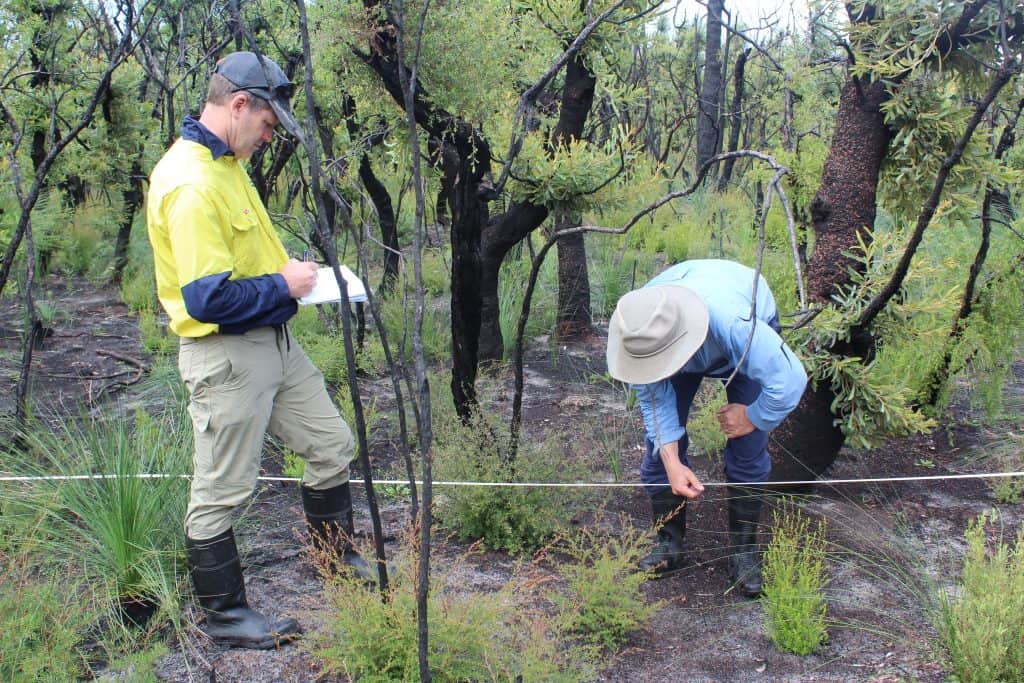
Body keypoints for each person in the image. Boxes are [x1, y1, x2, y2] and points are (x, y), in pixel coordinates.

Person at [147, 51, 373, 650]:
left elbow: (243, 262)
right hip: (226, 356)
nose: (270, 138)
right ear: (238, 104)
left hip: (276, 343)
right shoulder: (191, 181)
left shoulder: (228, 164)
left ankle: (336, 564)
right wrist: (284, 285)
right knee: (220, 489)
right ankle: (225, 617)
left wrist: (301, 279)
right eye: (268, 125)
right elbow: (204, 299)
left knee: (330, 443)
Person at [605, 259, 807, 596]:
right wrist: (671, 460)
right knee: (658, 457)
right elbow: (655, 402)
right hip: (678, 316)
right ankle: (668, 544)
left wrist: (752, 417)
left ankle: (743, 552)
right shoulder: (637, 331)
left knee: (748, 448)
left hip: (736, 308)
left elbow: (788, 380)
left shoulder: (738, 325)